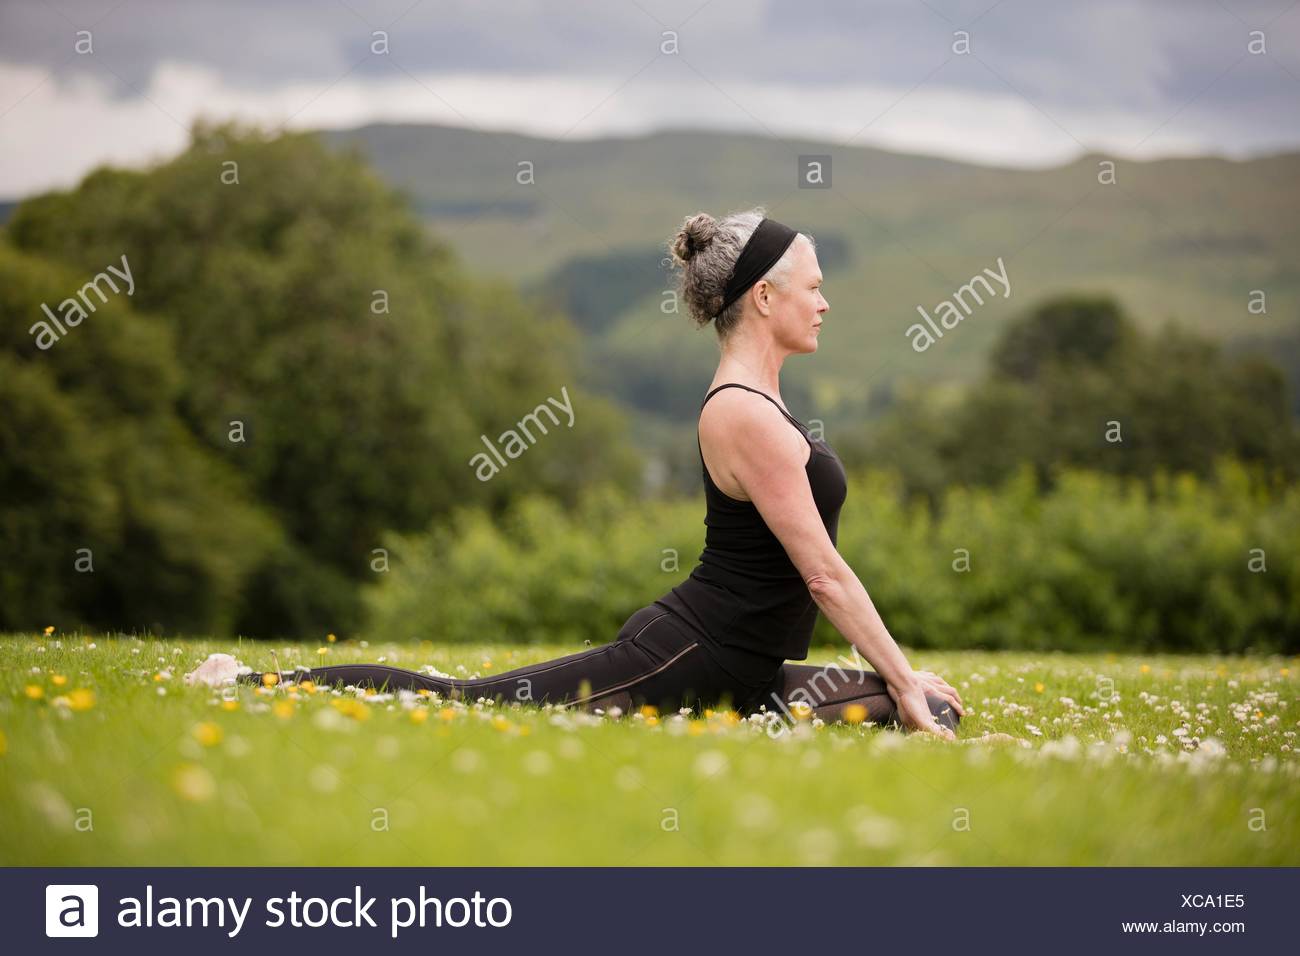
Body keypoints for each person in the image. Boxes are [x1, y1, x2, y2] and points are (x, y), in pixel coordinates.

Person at [239, 207, 965, 738]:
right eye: (814, 287)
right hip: (689, 655)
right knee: (470, 699)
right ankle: (251, 681)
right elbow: (824, 576)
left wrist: (907, 686)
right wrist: (898, 678)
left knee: (935, 707)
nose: (825, 303)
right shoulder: (742, 411)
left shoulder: (765, 398)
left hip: (749, 671)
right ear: (765, 297)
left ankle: (876, 697)